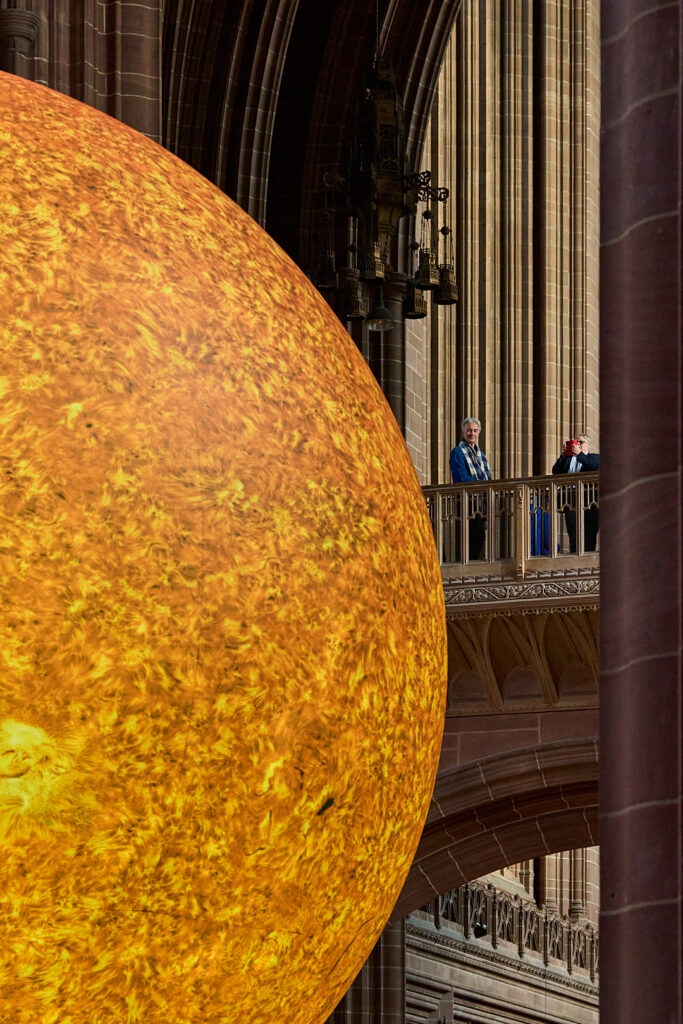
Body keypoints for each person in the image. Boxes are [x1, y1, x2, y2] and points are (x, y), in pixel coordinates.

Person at [449, 418, 492, 559]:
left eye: (475, 430)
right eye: (469, 430)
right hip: (468, 500)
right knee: (470, 536)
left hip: (481, 501)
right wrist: (482, 486)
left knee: (480, 535)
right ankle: (467, 565)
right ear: (463, 432)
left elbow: (488, 476)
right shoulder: (458, 452)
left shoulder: (481, 455)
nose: (472, 433)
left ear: (478, 433)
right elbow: (461, 478)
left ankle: (473, 562)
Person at [552, 434, 600, 552]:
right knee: (573, 532)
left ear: (588, 445)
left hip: (589, 500)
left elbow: (594, 466)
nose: (577, 445)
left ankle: (588, 561)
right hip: (570, 499)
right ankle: (574, 557)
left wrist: (579, 454)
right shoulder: (568, 460)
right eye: (574, 443)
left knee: (589, 532)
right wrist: (562, 457)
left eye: (580, 442)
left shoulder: (594, 457)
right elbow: (555, 472)